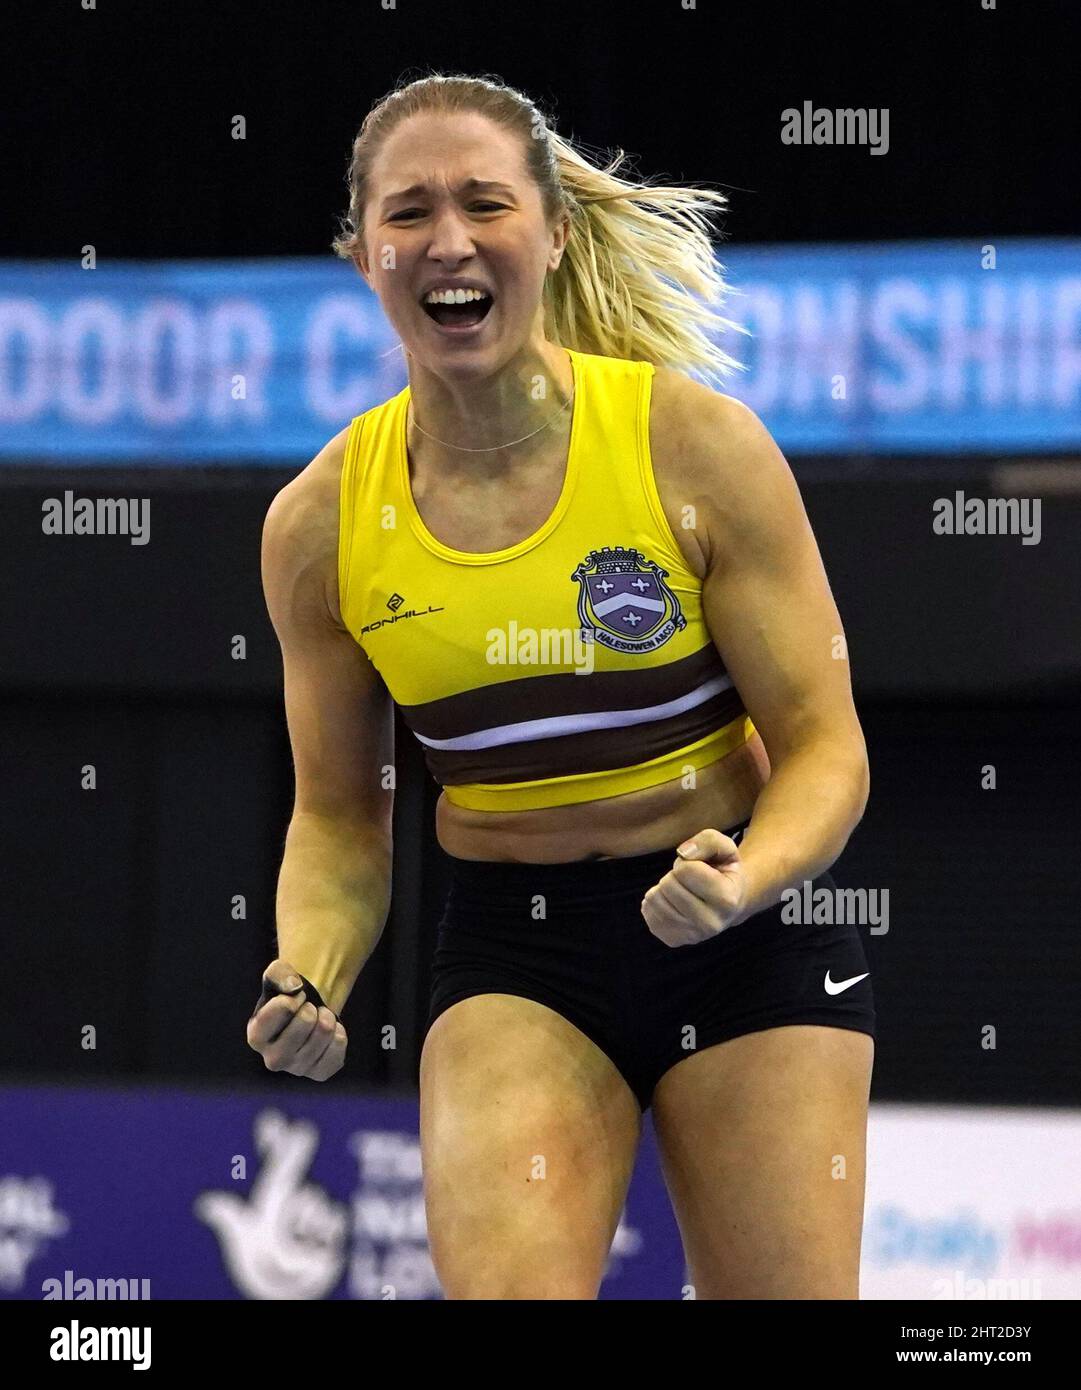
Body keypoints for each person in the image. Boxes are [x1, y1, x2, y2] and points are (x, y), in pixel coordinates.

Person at [247, 72, 875, 1300]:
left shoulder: (696, 448)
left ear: (553, 233)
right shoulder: (318, 527)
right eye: (408, 211)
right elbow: (336, 817)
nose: (448, 241)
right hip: (514, 952)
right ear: (361, 249)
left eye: (484, 203)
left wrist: (743, 879)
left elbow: (825, 750)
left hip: (743, 932)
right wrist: (306, 968)